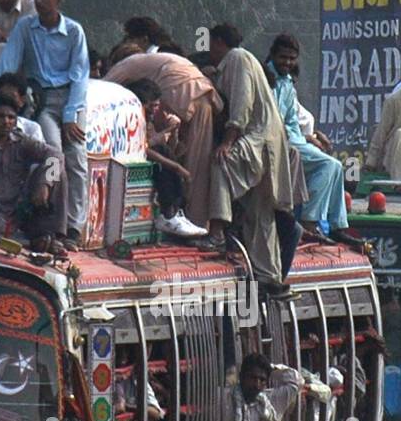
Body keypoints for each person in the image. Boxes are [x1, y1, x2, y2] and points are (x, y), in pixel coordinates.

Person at [0, 0, 89, 247]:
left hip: (71, 99)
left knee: (76, 158)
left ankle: (74, 227)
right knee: (54, 153)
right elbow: (7, 64)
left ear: (58, 0)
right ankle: (50, 225)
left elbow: (80, 76)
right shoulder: (26, 27)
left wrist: (71, 116)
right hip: (42, 100)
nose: (38, 1)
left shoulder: (74, 31)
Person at [208, 24, 298, 298]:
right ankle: (269, 277)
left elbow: (242, 104)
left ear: (218, 42)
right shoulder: (235, 64)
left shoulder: (238, 58)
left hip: (257, 138)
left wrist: (228, 140)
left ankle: (217, 232)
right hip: (269, 142)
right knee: (261, 214)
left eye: (210, 44)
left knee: (221, 164)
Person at [105, 43, 223, 230]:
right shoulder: (150, 66)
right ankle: (188, 216)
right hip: (198, 90)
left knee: (189, 160)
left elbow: (103, 92)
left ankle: (182, 215)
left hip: (185, 91)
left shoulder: (124, 67)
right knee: (194, 160)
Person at [266, 34, 353, 246]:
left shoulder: (287, 83)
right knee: (329, 165)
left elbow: (292, 120)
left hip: (294, 140)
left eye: (291, 58)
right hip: (275, 142)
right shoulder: (266, 78)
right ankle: (309, 222)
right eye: (283, 57)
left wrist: (308, 139)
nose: (287, 62)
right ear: (274, 55)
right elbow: (270, 119)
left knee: (334, 166)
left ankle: (337, 225)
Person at [0, 94, 66, 255]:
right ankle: (24, 240)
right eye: (0, 116)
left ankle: (55, 236)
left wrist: (45, 183)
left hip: (19, 209)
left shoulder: (22, 140)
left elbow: (56, 155)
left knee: (58, 172)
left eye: (11, 117)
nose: (6, 121)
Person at [123, 78, 207, 239]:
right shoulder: (134, 118)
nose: (154, 110)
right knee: (163, 158)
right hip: (132, 160)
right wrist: (176, 167)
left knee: (166, 152)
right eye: (151, 105)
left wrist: (173, 132)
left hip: (144, 156)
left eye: (156, 105)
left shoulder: (147, 121)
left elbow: (160, 145)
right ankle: (169, 213)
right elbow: (143, 147)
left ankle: (175, 211)